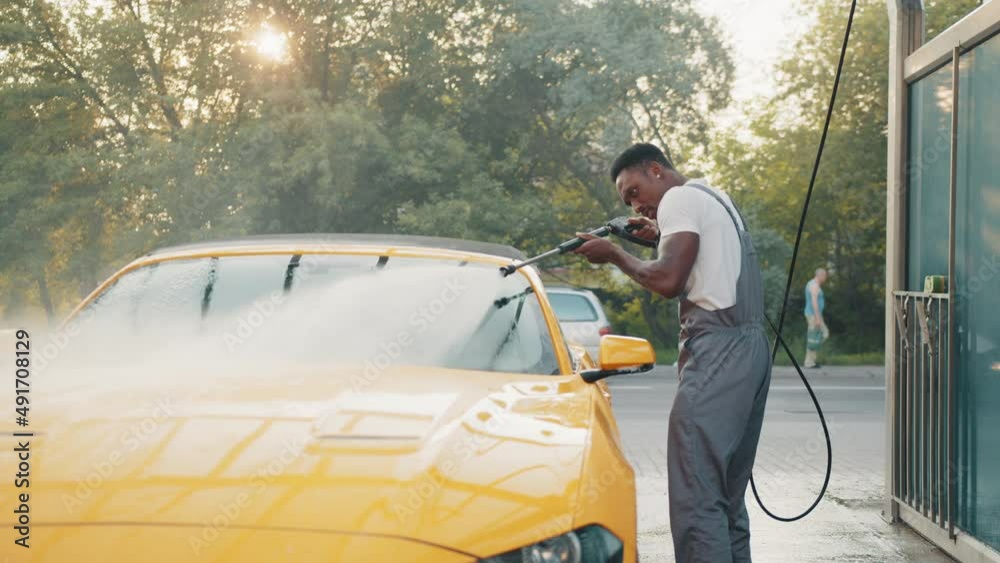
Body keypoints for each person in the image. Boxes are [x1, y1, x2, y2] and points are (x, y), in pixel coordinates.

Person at [572, 143, 771, 563]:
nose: (636, 204)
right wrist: (657, 238)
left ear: (656, 170)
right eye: (628, 201)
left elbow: (667, 280)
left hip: (717, 353)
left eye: (634, 191)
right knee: (726, 498)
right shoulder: (713, 197)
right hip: (750, 350)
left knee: (697, 495)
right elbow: (703, 262)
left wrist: (613, 254)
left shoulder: (678, 199)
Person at [804, 268, 829, 368]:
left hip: (814, 315)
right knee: (821, 335)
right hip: (814, 315)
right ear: (820, 275)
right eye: (825, 275)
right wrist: (818, 318)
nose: (826, 278)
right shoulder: (814, 285)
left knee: (815, 337)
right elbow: (814, 303)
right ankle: (809, 362)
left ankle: (811, 361)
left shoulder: (812, 284)